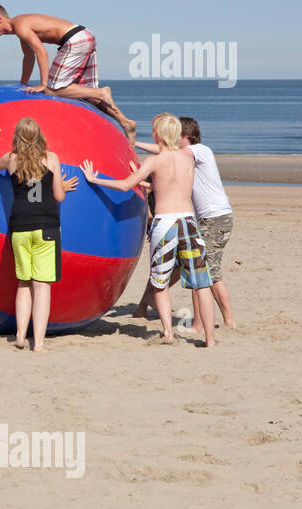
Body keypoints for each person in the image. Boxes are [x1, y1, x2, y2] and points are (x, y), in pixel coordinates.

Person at [81, 114, 216, 347]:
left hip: (165, 225)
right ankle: (210, 340)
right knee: (201, 283)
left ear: (158, 134)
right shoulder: (188, 157)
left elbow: (125, 185)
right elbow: (161, 184)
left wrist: (95, 179)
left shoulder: (153, 161)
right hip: (189, 223)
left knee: (160, 283)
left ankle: (168, 333)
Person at [133, 116, 237, 330]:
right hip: (201, 219)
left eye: (176, 136)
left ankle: (224, 320)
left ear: (186, 137)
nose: (172, 140)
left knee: (206, 272)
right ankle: (147, 303)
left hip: (215, 218)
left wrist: (134, 143)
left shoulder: (199, 151)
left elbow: (165, 152)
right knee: (187, 268)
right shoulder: (184, 157)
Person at [0, 119, 78, 351]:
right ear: (39, 135)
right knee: (42, 286)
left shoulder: (11, 159)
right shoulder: (52, 158)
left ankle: (19, 335)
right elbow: (58, 197)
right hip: (46, 227)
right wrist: (61, 187)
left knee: (24, 283)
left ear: (17, 136)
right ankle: (39, 343)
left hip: (19, 228)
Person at [0, 3, 136, 141]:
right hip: (84, 36)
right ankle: (125, 122)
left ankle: (101, 92)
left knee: (52, 88)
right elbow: (29, 57)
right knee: (83, 93)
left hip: (74, 40)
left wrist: (43, 85)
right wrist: (23, 84)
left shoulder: (20, 25)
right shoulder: (20, 27)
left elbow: (41, 52)